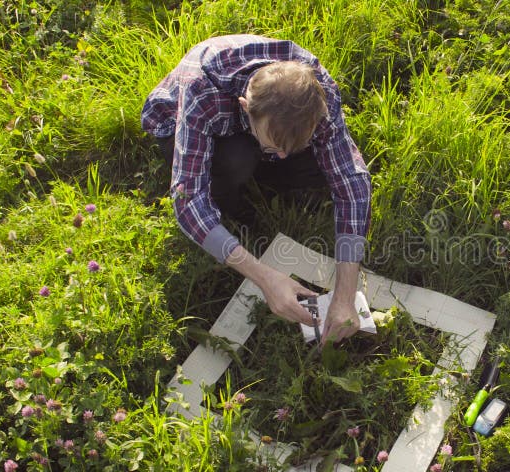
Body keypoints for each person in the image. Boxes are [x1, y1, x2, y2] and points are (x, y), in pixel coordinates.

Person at [141, 35, 371, 346]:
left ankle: (266, 157)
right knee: (237, 161)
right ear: (246, 108)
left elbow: (351, 182)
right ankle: (235, 194)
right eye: (274, 148)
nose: (282, 156)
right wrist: (265, 277)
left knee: (315, 169)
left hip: (262, 128)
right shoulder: (203, 92)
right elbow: (188, 202)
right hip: (182, 122)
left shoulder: (318, 93)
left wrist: (345, 294)